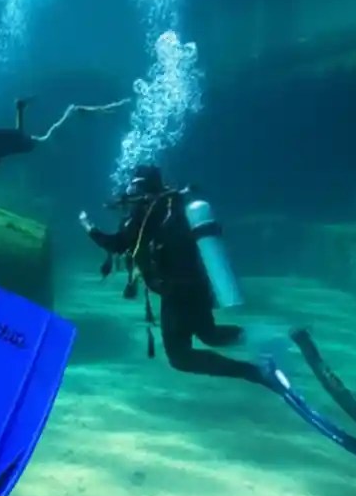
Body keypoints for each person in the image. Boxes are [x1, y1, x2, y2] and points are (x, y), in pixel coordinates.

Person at [78, 164, 275, 388]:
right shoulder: (177, 204)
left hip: (176, 294)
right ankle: (264, 337)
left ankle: (255, 372)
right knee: (210, 335)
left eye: (133, 186)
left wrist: (87, 226)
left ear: (139, 186)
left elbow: (116, 244)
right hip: (199, 287)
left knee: (180, 357)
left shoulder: (145, 213)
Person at [0, 96, 130, 206]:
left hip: (17, 143)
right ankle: (20, 107)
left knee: (48, 137)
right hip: (14, 144)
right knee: (29, 137)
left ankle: (78, 111)